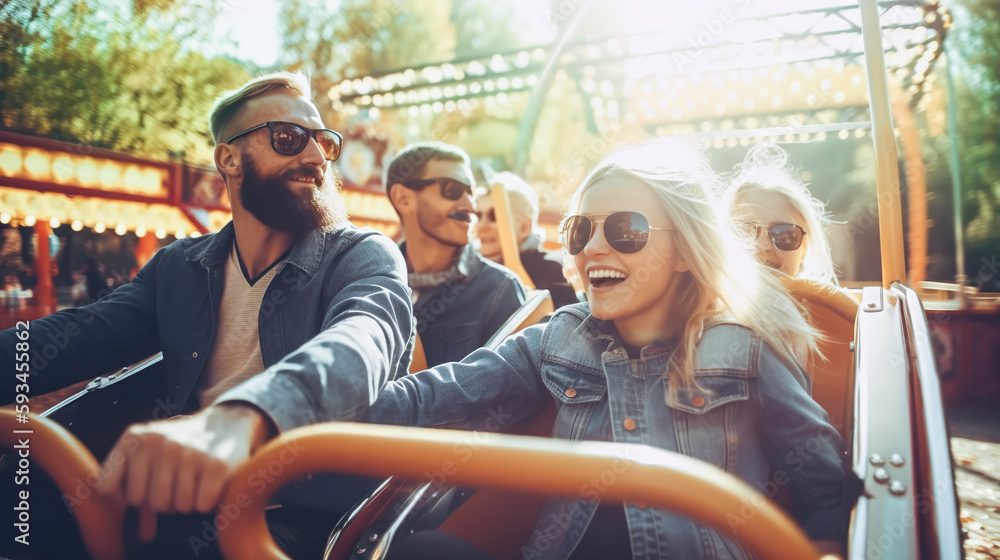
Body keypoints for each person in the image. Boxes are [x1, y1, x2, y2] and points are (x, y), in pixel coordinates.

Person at [366, 139, 849, 559]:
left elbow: (826, 489)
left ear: (683, 250)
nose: (592, 248)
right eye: (580, 230)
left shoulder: (744, 348)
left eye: (626, 231)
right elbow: (439, 392)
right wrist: (310, 410)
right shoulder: (562, 336)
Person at [0, 71, 413, 559]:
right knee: (19, 495)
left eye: (325, 142)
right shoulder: (181, 265)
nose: (314, 156)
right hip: (177, 489)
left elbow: (362, 343)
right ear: (229, 158)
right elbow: (85, 334)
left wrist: (245, 417)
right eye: (289, 138)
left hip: (303, 509)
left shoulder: (362, 254)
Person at [384, 141, 526, 366]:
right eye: (451, 189)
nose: (469, 205)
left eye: (471, 192)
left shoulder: (499, 290)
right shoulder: (375, 284)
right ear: (404, 199)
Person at [725, 142, 839, 284]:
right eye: (745, 231)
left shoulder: (831, 306)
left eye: (783, 234)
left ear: (804, 247)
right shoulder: (703, 306)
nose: (764, 246)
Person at [473, 171, 578, 308]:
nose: (482, 227)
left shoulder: (547, 269)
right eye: (478, 216)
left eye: (495, 217)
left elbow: (566, 320)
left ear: (524, 227)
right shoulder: (469, 272)